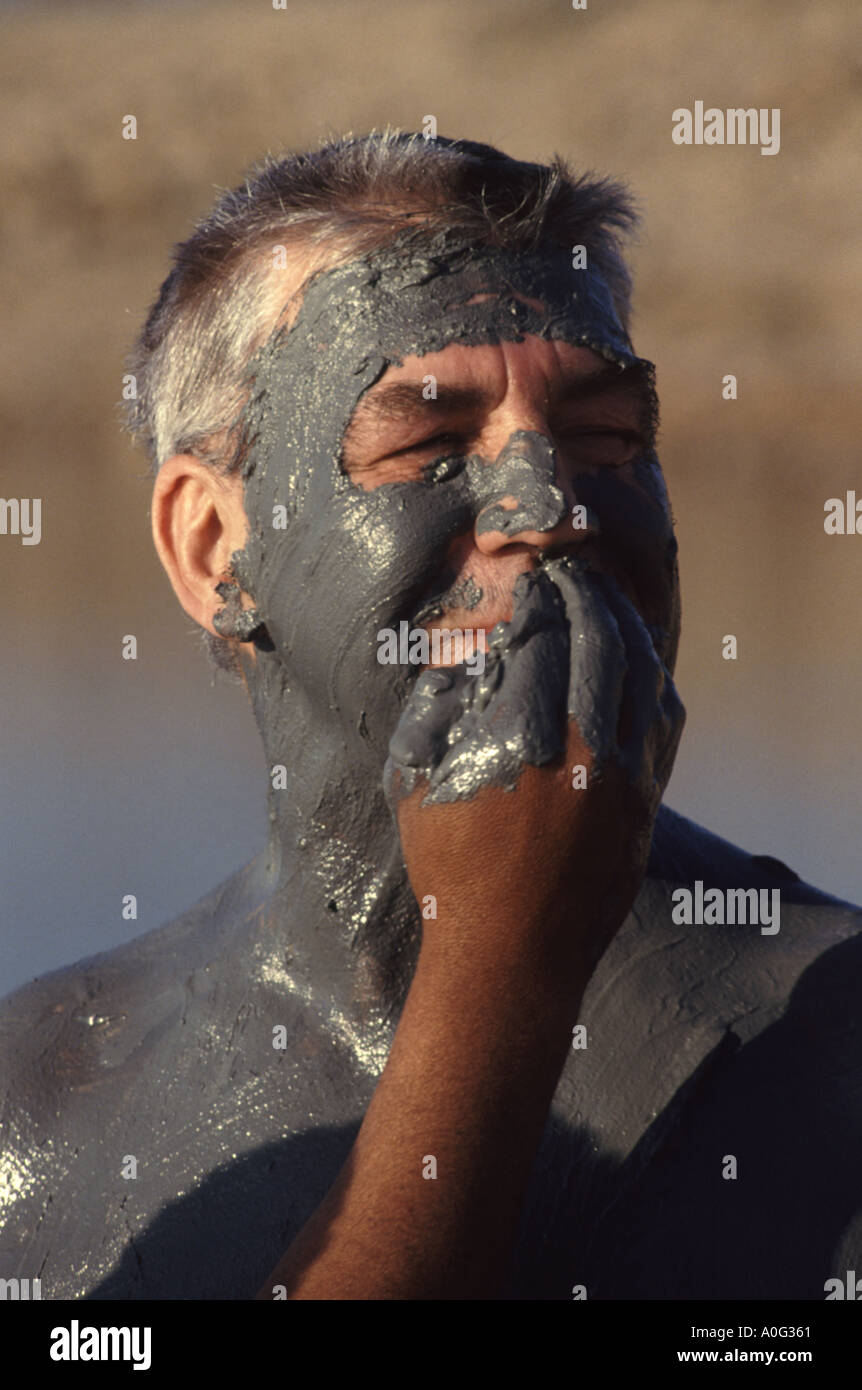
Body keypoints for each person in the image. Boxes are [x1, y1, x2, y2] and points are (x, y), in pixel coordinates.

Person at [1, 131, 859, 1302]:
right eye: (427, 442)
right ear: (213, 551)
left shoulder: (836, 1043)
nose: (547, 505)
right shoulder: (40, 1094)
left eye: (605, 435)